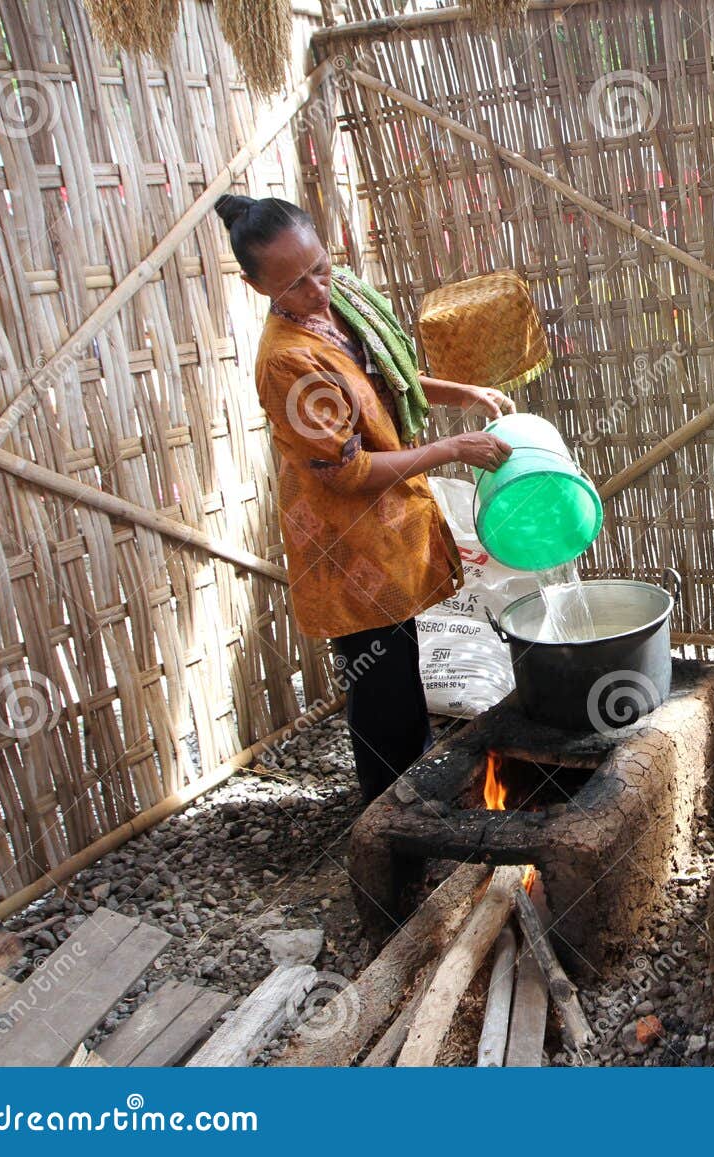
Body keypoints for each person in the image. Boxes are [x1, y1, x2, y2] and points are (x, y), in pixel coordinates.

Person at [216, 194, 515, 804]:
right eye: (295, 285)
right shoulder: (287, 361)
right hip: (346, 547)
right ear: (255, 287)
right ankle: (387, 823)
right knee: (381, 691)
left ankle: (410, 801)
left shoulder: (340, 305)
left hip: (387, 530)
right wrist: (450, 450)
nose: (318, 289)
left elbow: (388, 378)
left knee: (402, 672)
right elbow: (345, 471)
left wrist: (464, 391)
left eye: (321, 267)